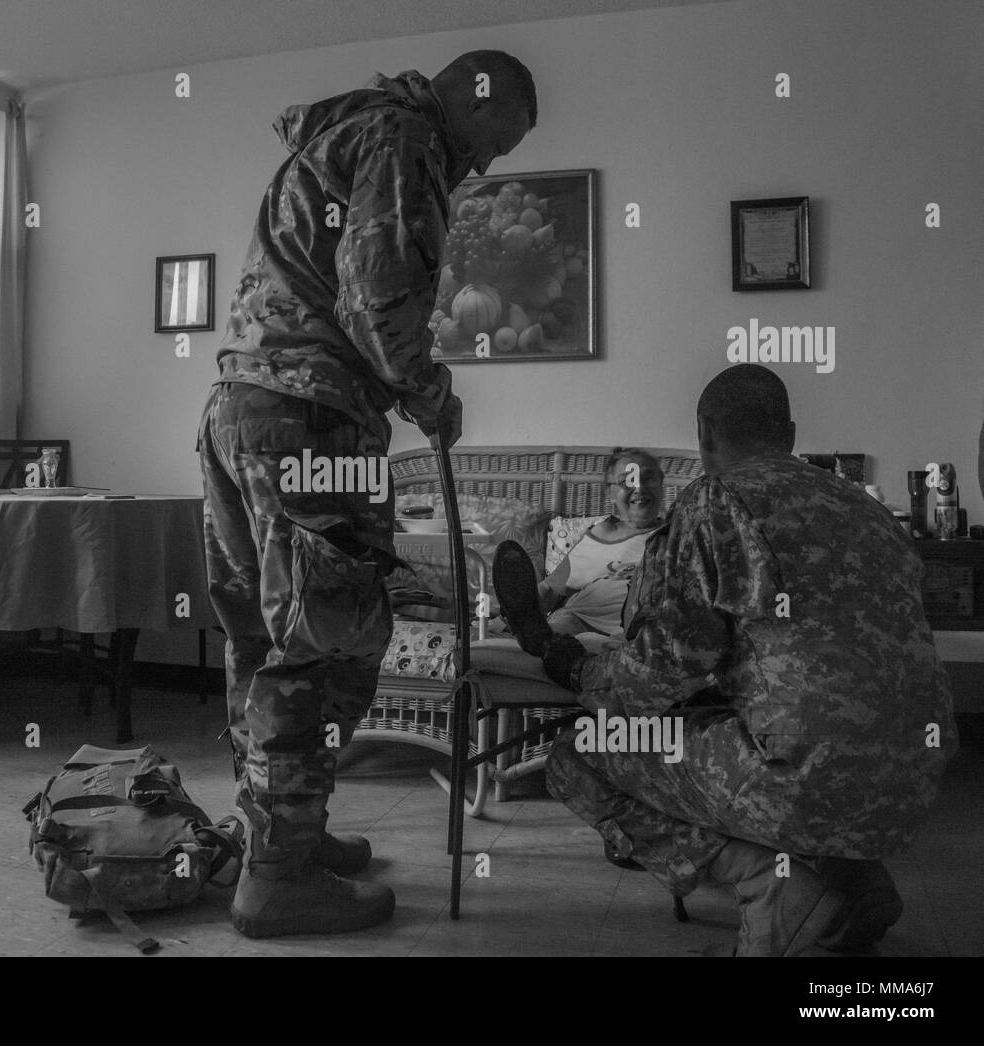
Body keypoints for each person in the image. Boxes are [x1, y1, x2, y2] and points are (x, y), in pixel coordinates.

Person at [198, 51, 538, 938]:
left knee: (264, 640)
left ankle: (283, 834)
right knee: (326, 643)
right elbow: (379, 295)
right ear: (474, 98)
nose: (488, 165)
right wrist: (432, 394)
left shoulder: (345, 133)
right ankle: (277, 873)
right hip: (312, 419)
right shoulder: (406, 137)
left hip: (241, 410)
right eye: (496, 143)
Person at [493, 364, 957, 956]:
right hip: (917, 777)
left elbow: (650, 682)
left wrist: (575, 668)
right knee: (774, 736)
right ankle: (856, 883)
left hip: (805, 775)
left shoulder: (715, 502)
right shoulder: (867, 509)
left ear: (704, 433)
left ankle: (777, 881)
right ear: (788, 433)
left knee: (580, 755)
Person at [537, 448, 665, 641]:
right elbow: (550, 590)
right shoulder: (597, 535)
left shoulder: (678, 534)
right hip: (578, 620)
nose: (639, 488)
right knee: (562, 627)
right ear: (610, 492)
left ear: (661, 483)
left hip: (639, 631)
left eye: (648, 478)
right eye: (627, 481)